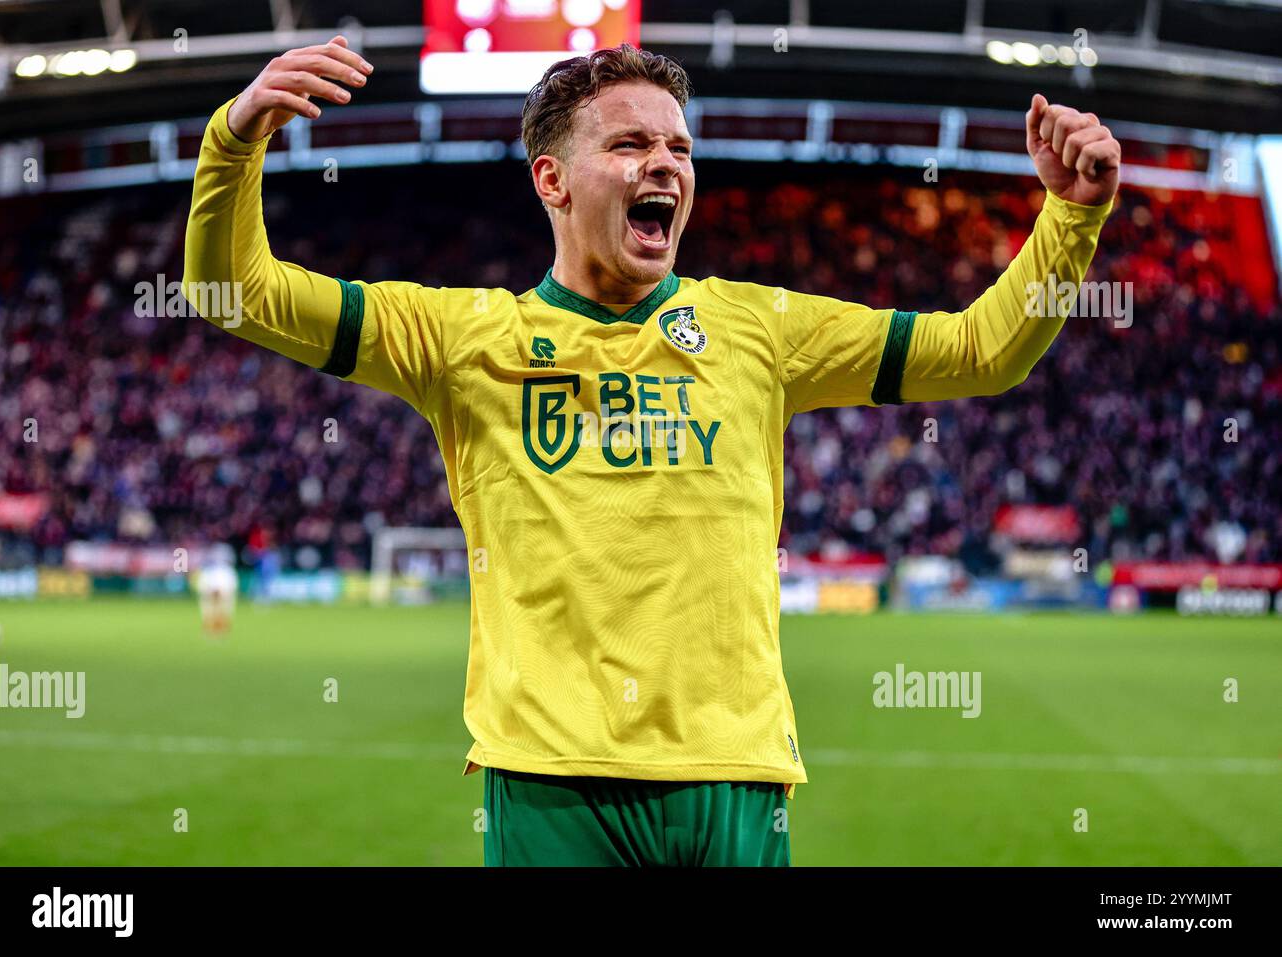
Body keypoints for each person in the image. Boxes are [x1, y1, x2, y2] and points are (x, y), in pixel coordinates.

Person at [182, 38, 1120, 866]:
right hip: (554, 784)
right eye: (630, 144)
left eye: (678, 147)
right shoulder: (462, 339)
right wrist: (235, 139)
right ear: (552, 179)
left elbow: (979, 352)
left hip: (737, 779)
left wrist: (1069, 220)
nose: (664, 164)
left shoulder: (761, 327)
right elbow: (233, 289)